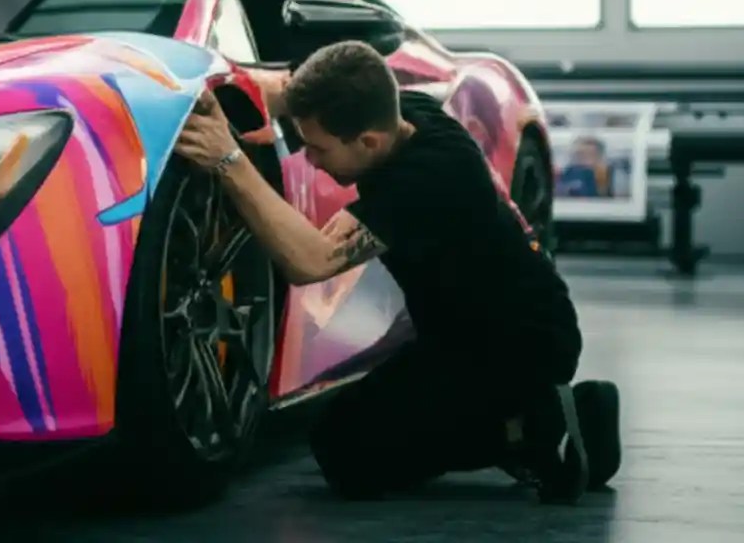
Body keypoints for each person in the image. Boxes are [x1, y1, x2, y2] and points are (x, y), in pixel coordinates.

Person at [174, 41, 621, 504]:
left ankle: (538, 425)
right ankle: (522, 419)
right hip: (465, 334)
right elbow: (286, 92)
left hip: (518, 347)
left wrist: (229, 161)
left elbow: (312, 261)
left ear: (368, 141)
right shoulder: (402, 112)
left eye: (318, 148)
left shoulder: (427, 180)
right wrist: (201, 94)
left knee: (350, 459)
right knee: (339, 431)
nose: (310, 160)